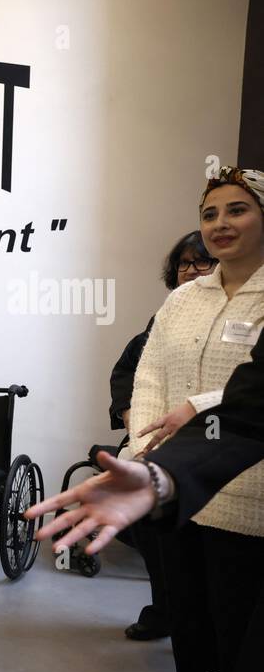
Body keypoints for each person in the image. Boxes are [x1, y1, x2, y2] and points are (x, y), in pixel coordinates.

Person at [31, 166, 264, 672]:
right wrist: (141, 459)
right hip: (170, 484)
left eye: (238, 210)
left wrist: (203, 409)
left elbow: (253, 397)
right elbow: (150, 377)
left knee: (238, 617)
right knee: (189, 610)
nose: (221, 224)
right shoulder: (184, 299)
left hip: (248, 484)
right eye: (211, 213)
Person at [106, 232, 215, 641]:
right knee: (151, 527)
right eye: (184, 263)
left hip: (218, 443)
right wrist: (135, 423)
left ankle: (200, 622)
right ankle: (166, 608)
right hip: (156, 442)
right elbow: (129, 373)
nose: (190, 270)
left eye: (201, 262)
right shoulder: (165, 316)